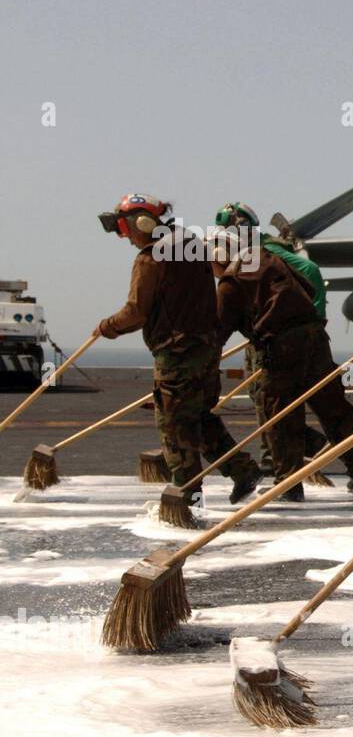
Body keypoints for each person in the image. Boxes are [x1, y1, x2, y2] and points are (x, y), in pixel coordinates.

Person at [95, 194, 260, 505]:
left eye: (125, 228)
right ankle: (242, 470)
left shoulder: (151, 257)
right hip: (207, 349)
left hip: (177, 352)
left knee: (175, 426)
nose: (126, 237)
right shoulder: (193, 245)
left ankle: (187, 497)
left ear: (141, 223)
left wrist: (107, 327)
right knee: (199, 416)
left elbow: (136, 312)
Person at [211, 224, 353, 499]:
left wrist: (204, 359)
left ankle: (289, 485)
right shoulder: (268, 258)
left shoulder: (232, 280)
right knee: (332, 405)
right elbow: (308, 284)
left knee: (281, 414)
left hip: (282, 346)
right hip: (315, 336)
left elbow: (218, 330)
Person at [214, 203, 328, 473]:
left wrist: (313, 317)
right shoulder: (248, 254)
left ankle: (284, 452)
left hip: (279, 338)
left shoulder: (267, 252)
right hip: (264, 334)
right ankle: (291, 448)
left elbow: (310, 270)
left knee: (270, 397)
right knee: (262, 396)